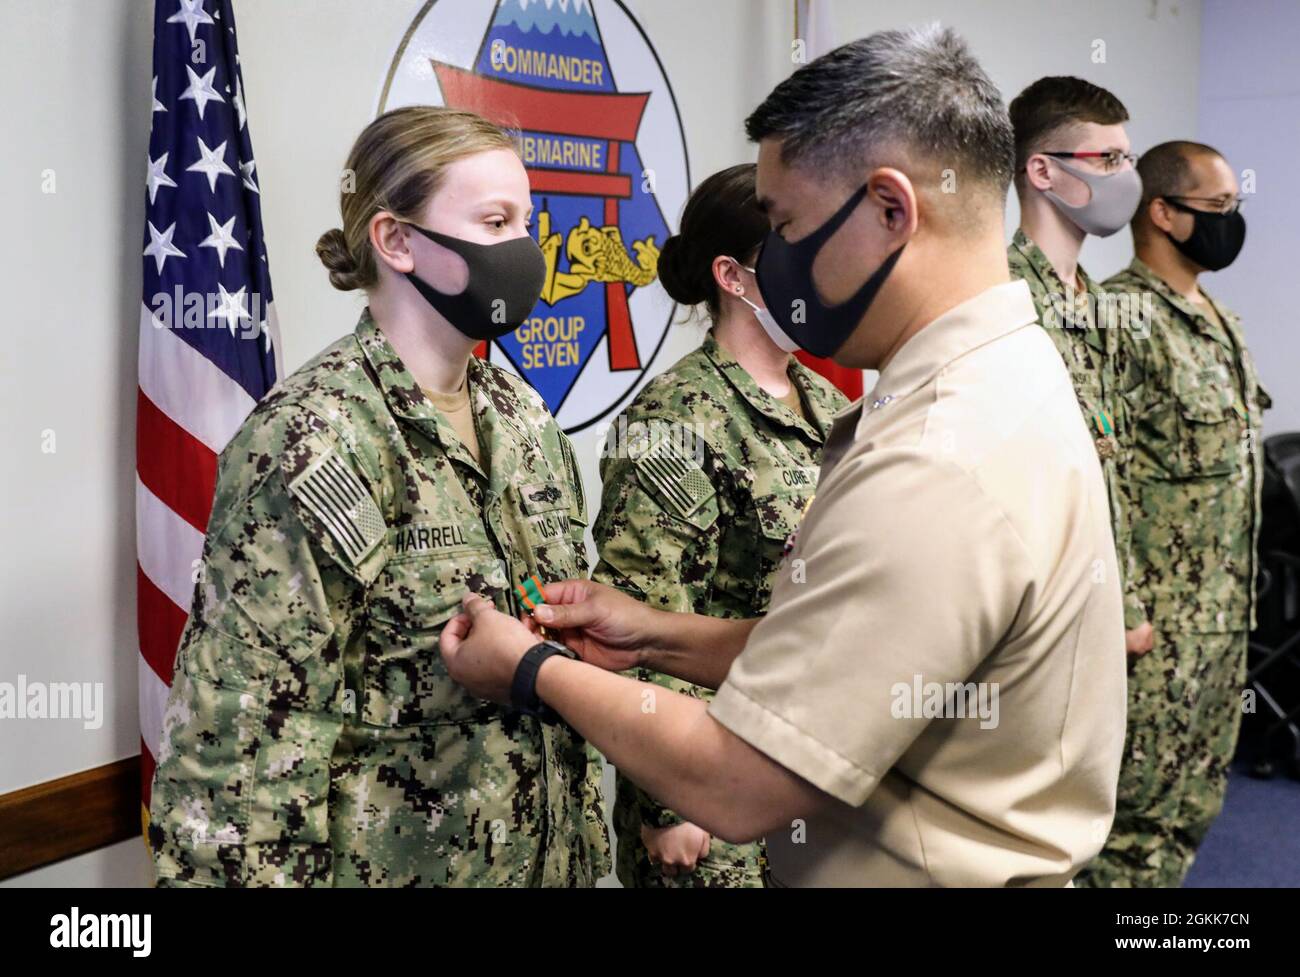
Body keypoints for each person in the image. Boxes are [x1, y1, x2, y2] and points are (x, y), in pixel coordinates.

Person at [438, 27, 1127, 887]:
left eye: (789, 224)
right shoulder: (1001, 377)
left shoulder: (937, 457)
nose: (783, 261)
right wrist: (655, 634)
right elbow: (856, 650)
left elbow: (740, 780)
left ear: (890, 209)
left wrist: (531, 669)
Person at [148, 106, 609, 887]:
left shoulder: (522, 417)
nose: (526, 252)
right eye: (495, 221)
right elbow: (243, 758)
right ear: (397, 241)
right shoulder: (311, 441)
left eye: (526, 222)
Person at [593, 163, 848, 887]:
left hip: (823, 768)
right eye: (798, 249)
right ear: (732, 277)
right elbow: (640, 625)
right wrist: (671, 800)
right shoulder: (673, 422)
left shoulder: (829, 405)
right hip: (719, 796)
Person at [1076, 141, 1271, 888]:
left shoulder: (1217, 317)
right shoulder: (1121, 318)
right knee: (1133, 826)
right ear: (1162, 212)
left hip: (1224, 617)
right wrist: (1126, 611)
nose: (1230, 224)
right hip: (1158, 631)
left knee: (1192, 811)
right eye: (1218, 209)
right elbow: (1103, 478)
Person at [1006, 76, 1152, 656]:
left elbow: (1112, 466)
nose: (1127, 178)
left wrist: (1127, 604)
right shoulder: (1002, 299)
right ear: (1042, 172)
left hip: (1105, 604)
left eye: (1129, 158)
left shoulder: (1099, 305)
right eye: (1109, 159)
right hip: (1039, 618)